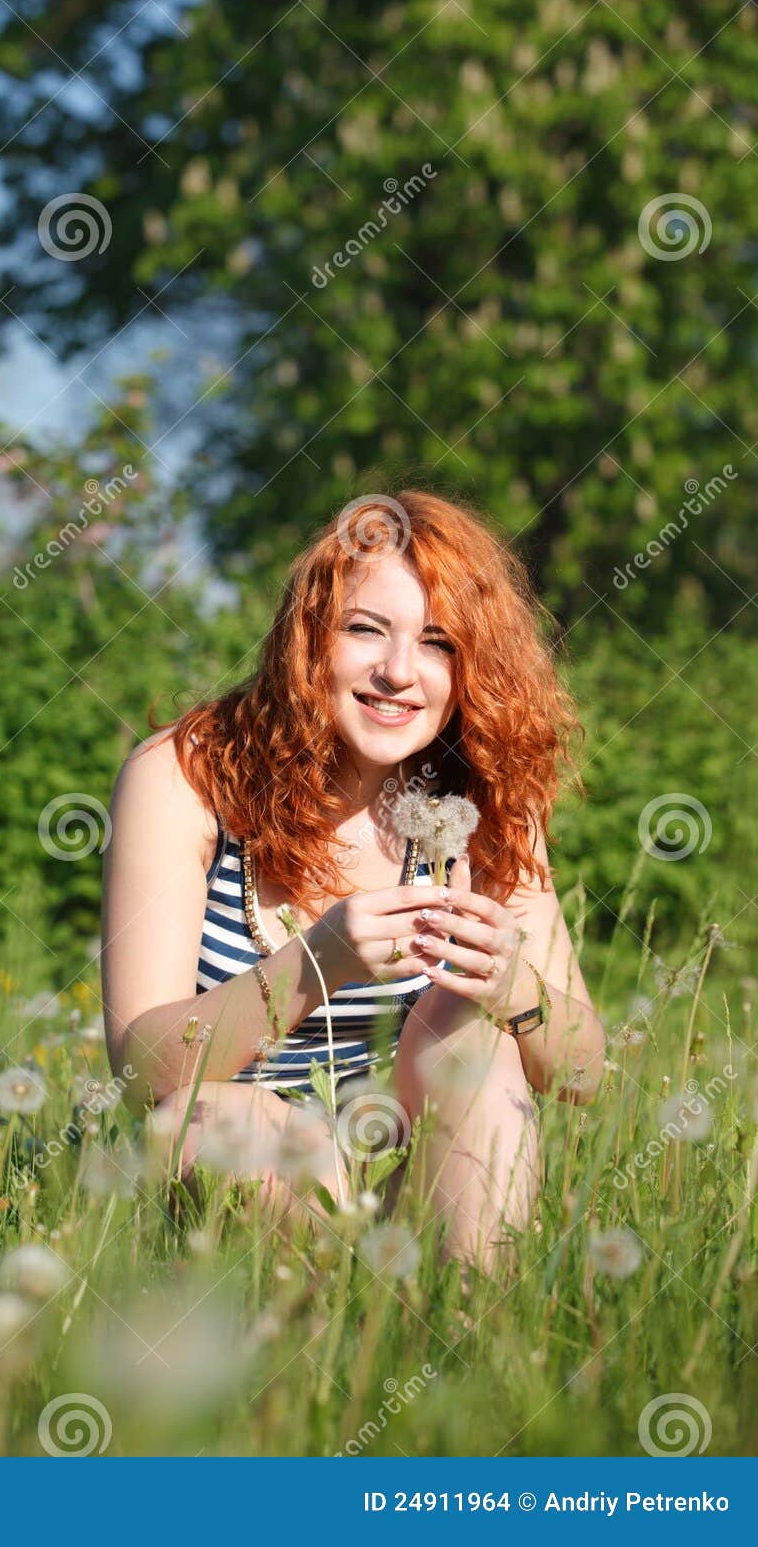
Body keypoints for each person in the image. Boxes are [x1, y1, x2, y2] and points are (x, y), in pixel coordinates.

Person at [100, 490, 605, 1272]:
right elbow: (140, 1070)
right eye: (365, 629)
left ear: (470, 665)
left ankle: (468, 1322)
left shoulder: (481, 793)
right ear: (308, 639)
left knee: (475, 1039)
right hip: (248, 1157)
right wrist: (316, 963)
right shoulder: (187, 775)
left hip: (420, 1167)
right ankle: (356, 1308)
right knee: (220, 1117)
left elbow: (580, 1071)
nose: (399, 672)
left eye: (437, 642)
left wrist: (514, 990)